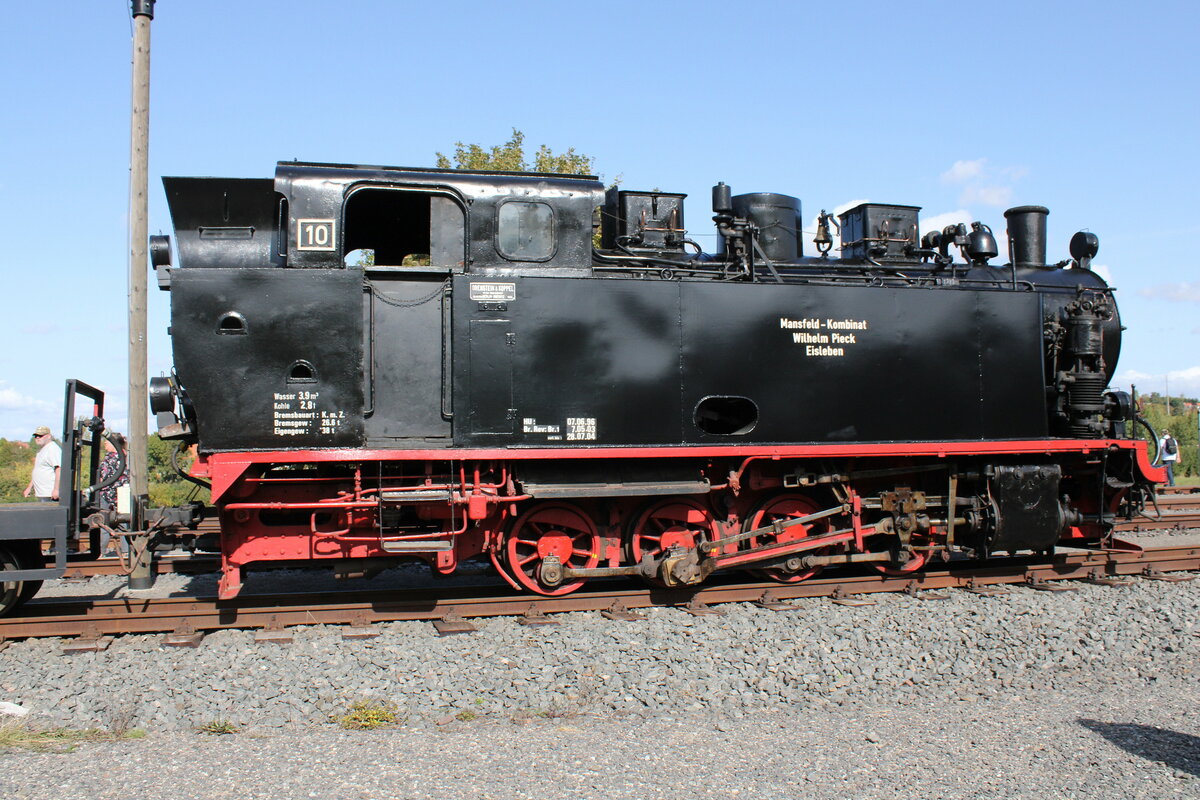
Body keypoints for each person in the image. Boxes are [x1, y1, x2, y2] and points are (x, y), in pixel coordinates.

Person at [23, 426, 61, 502]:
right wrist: (29, 487)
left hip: (50, 494)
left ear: (49, 436)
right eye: (36, 436)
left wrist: (56, 489)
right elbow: (39, 470)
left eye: (40, 436)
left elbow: (59, 469)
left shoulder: (52, 449)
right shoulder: (41, 450)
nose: (37, 438)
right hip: (42, 494)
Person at [98, 433, 130, 511]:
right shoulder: (126, 456)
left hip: (107, 496)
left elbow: (103, 477)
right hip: (122, 496)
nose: (105, 442)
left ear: (114, 443)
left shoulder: (111, 458)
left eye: (108, 441)